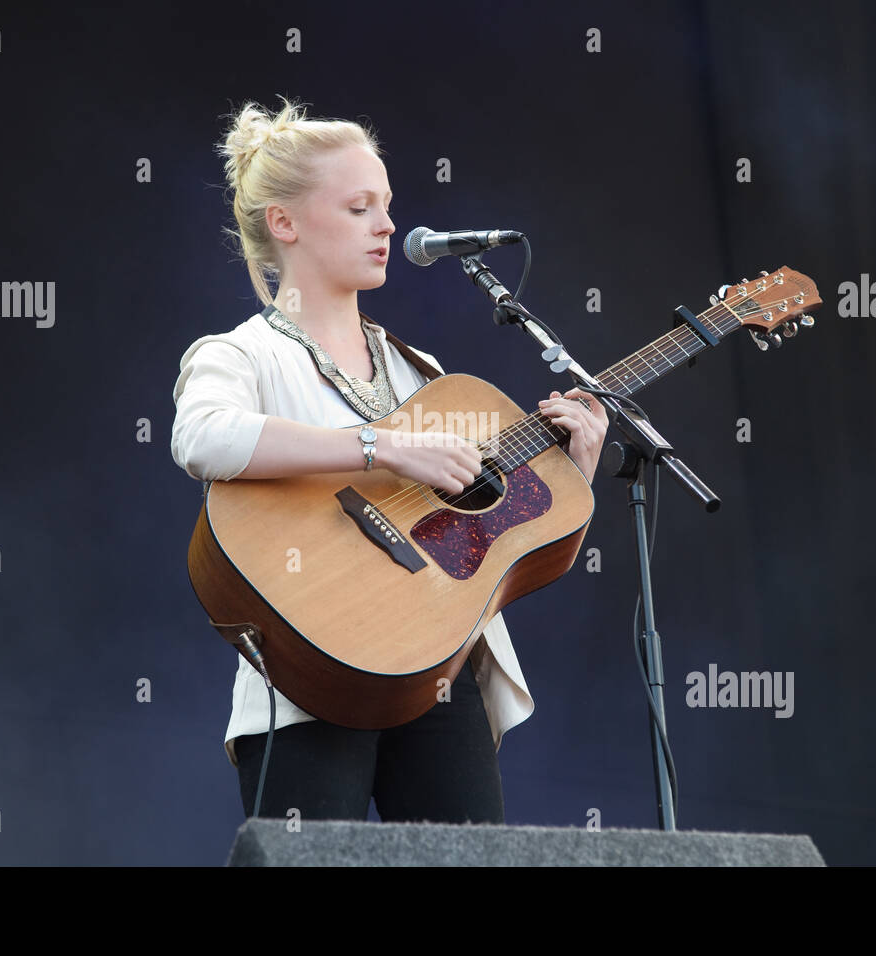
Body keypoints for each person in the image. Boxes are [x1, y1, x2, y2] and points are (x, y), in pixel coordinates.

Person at [170, 96, 607, 825]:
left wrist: (573, 473)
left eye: (388, 206)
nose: (389, 226)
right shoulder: (241, 353)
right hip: (307, 673)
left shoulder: (419, 371)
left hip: (434, 675)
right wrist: (379, 445)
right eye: (360, 208)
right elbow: (203, 437)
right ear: (286, 223)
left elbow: (468, 540)